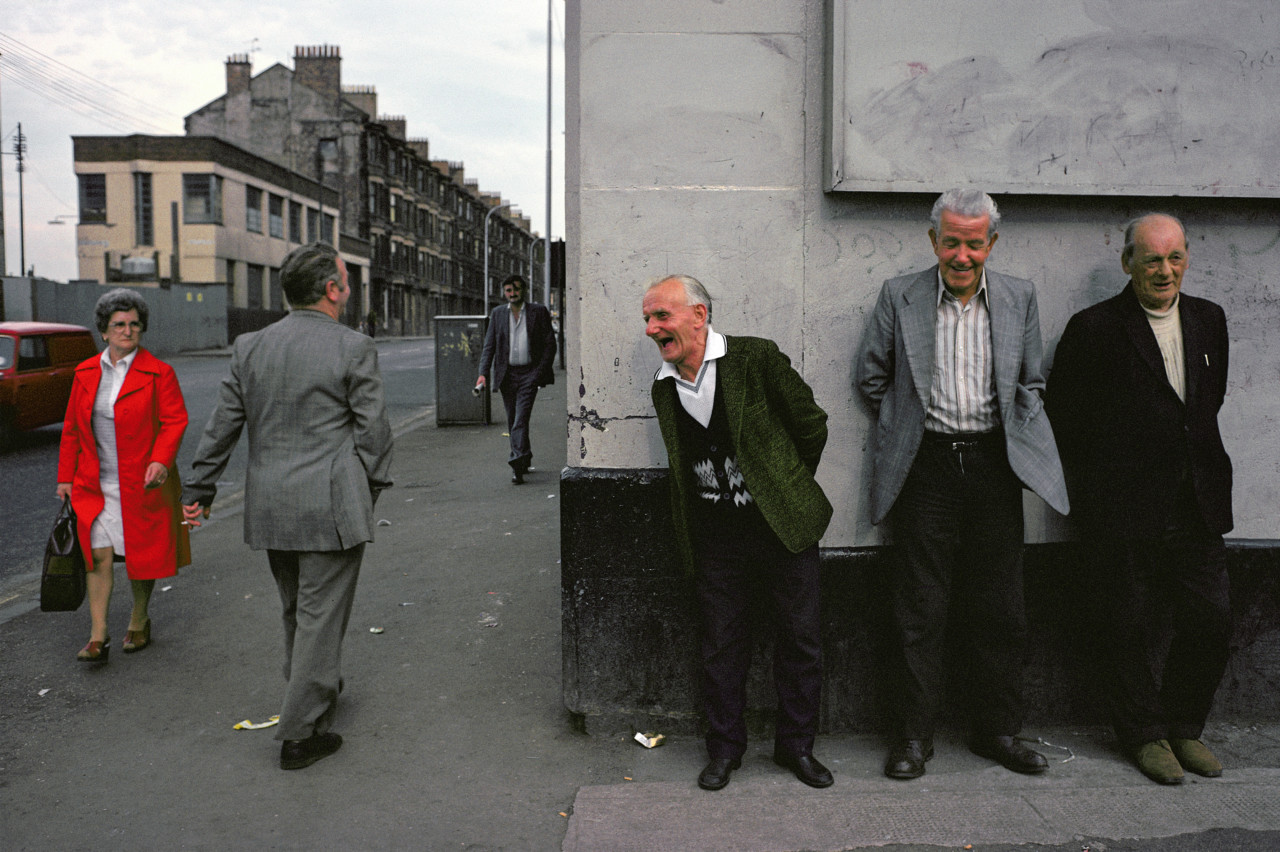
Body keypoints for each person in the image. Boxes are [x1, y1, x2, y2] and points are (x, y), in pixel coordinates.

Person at [855, 189, 1070, 780]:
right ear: (934, 241)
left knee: (1001, 606)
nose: (962, 255)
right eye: (951, 241)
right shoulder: (899, 294)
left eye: (974, 243)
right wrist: (906, 426)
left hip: (995, 464)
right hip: (925, 466)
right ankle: (912, 739)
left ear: (991, 243)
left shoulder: (1019, 296)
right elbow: (871, 376)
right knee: (920, 607)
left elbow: (1031, 381)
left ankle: (997, 731)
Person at [182, 243, 393, 771]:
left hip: (272, 505)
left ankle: (316, 689)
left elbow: (222, 425)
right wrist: (369, 489)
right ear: (331, 290)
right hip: (331, 505)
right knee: (320, 615)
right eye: (345, 281)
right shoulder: (353, 346)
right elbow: (373, 432)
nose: (348, 289)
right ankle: (299, 734)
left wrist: (199, 489)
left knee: (297, 609)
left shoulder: (250, 346)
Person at [1046, 213, 1233, 785]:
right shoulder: (1094, 328)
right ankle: (1145, 736)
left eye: (1175, 257)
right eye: (1152, 258)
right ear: (1128, 262)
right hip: (1122, 510)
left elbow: (1207, 403)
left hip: (1196, 502)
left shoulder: (1209, 319)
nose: (1165, 270)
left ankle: (1184, 726)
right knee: (1124, 624)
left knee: (1212, 619)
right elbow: (1065, 418)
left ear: (1187, 258)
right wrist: (1103, 489)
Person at [643, 274, 834, 792]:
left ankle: (797, 747)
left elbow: (811, 424)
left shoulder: (754, 358)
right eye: (648, 319)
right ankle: (725, 749)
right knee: (721, 647)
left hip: (782, 530)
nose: (651, 328)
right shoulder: (664, 386)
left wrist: (784, 485)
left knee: (800, 642)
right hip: (715, 539)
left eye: (661, 316)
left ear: (699, 315)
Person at [56, 288, 189, 663]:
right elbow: (71, 429)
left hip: (143, 481)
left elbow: (174, 421)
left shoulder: (160, 373)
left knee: (140, 555)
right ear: (104, 330)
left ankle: (139, 618)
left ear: (141, 328)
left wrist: (161, 461)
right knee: (97, 555)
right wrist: (65, 477)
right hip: (94, 483)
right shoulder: (85, 372)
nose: (127, 331)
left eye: (134, 324)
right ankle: (98, 635)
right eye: (118, 324)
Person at [477, 274, 555, 484]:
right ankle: (525, 455)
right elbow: (489, 346)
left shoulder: (538, 312)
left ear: (524, 290)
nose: (513, 294)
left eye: (516, 289)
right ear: (504, 293)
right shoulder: (498, 314)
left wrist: (539, 372)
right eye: (509, 291)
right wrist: (483, 373)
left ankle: (516, 464)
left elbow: (550, 344)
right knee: (513, 419)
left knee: (520, 419)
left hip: (530, 374)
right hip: (507, 375)